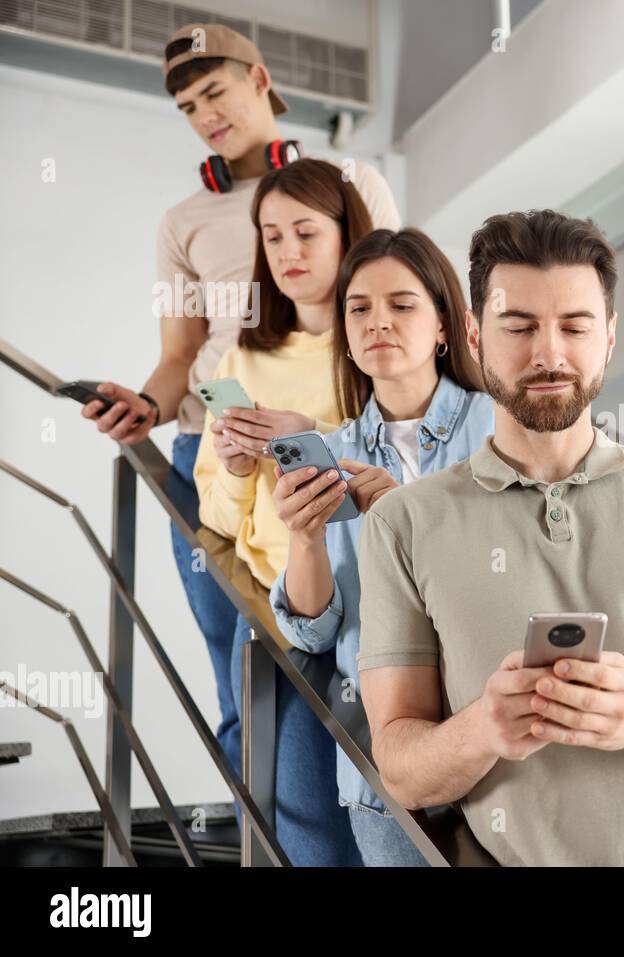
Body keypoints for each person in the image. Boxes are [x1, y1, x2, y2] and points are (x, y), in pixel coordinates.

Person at [356, 209, 624, 866]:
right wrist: (485, 728)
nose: (549, 353)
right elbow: (400, 764)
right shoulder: (404, 523)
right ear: (475, 335)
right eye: (520, 325)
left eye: (575, 326)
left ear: (610, 336)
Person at [79, 22, 400, 781]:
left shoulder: (353, 182)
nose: (204, 115)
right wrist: (146, 408)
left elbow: (396, 306)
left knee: (345, 664)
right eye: (188, 106)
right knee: (241, 674)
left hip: (324, 441)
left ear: (260, 80)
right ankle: (257, 833)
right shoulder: (182, 223)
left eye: (214, 92)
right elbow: (179, 357)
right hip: (212, 454)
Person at [268, 228, 493, 866]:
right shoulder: (332, 451)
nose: (377, 323)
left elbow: (529, 569)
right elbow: (315, 636)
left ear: (446, 324)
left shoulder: (499, 427)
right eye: (359, 308)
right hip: (383, 757)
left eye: (402, 304)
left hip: (500, 736)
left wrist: (407, 517)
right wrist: (305, 539)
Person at [194, 158, 379, 866]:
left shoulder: (378, 337)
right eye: (272, 237)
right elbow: (215, 510)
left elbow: (415, 465)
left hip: (371, 603)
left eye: (306, 232)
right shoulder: (245, 352)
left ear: (345, 232)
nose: (289, 253)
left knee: (386, 805)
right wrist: (241, 470)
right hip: (280, 612)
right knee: (302, 816)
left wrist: (316, 435)